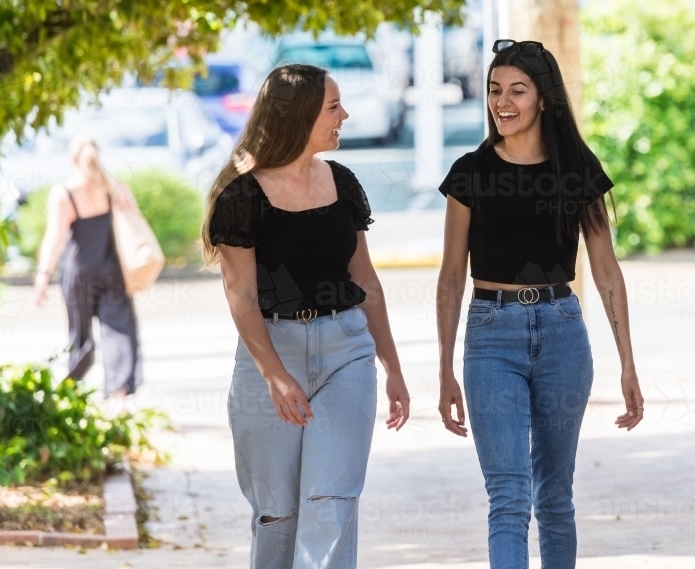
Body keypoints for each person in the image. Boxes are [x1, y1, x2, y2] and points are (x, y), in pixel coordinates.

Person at [436, 40, 644, 568]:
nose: (502, 102)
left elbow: (605, 268)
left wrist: (627, 363)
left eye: (517, 91)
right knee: (507, 496)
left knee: (555, 496)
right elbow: (450, 277)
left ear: (543, 99)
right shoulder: (470, 172)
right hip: (491, 335)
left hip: (562, 333)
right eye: (494, 90)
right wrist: (443, 370)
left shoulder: (576, 168)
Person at [202, 63, 410, 567]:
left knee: (331, 505)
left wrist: (393, 367)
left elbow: (366, 281)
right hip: (271, 355)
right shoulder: (241, 197)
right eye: (333, 107)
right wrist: (274, 375)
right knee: (278, 517)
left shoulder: (343, 182)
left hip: (346, 351)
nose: (345, 115)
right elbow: (241, 297)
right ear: (299, 117)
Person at [32, 135, 142, 398]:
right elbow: (134, 220)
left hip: (78, 273)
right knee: (119, 330)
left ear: (72, 160)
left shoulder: (65, 192)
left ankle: (70, 394)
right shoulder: (113, 187)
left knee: (80, 337)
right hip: (112, 271)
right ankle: (119, 395)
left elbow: (56, 238)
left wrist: (43, 274)